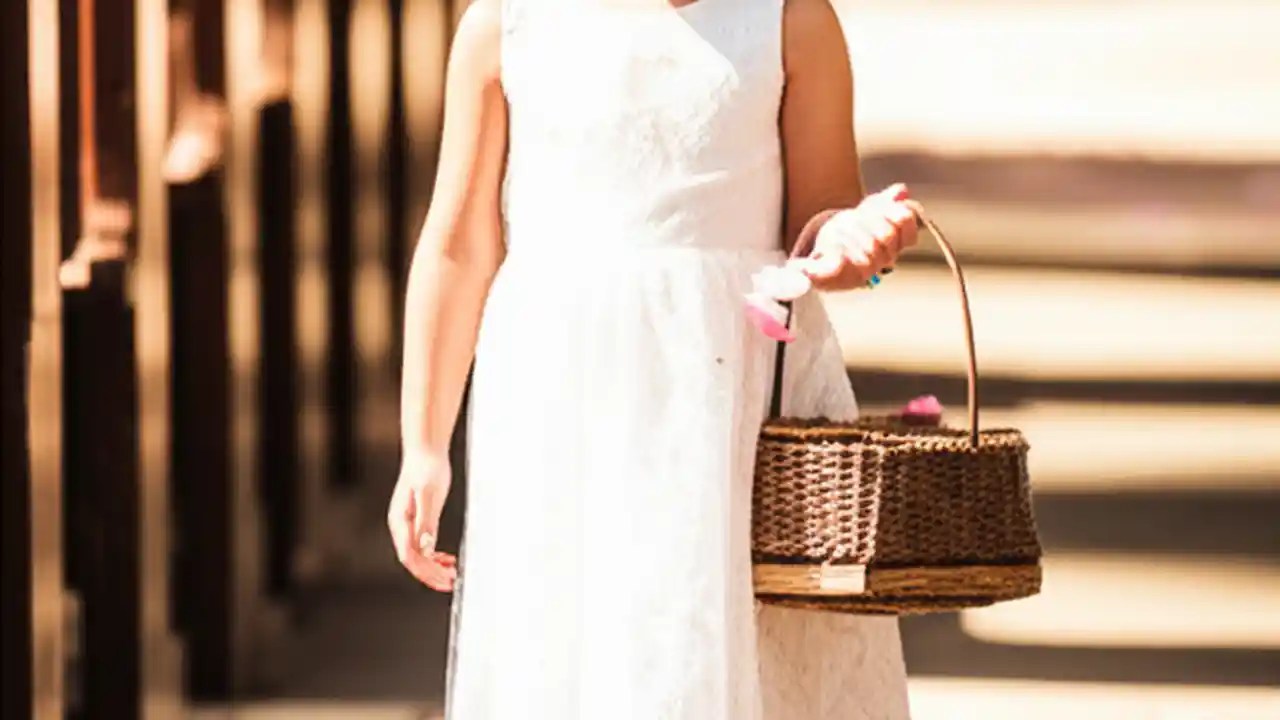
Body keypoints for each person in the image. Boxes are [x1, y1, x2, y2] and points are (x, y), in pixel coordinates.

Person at [389, 0, 918, 717]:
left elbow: (819, 221)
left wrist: (859, 244)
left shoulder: (789, 20)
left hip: (725, 412)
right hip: (563, 413)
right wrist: (424, 445)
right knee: (570, 654)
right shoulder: (507, 24)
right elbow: (459, 243)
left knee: (704, 649)